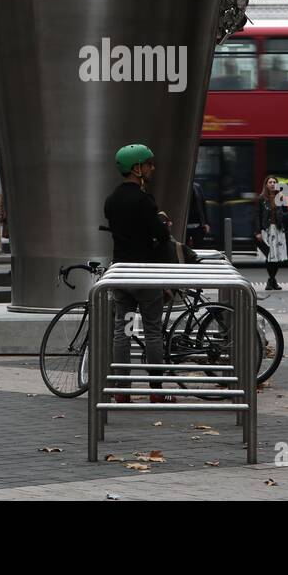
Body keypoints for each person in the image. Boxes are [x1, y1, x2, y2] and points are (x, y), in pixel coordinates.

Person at [104, 143, 173, 403]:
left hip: (121, 273)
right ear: (137, 168)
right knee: (153, 331)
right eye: (148, 164)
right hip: (145, 274)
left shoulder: (112, 199)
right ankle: (156, 390)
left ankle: (123, 390)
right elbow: (161, 234)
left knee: (124, 330)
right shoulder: (144, 200)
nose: (152, 168)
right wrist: (162, 224)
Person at [254, 176, 288, 291]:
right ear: (266, 184)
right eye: (270, 182)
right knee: (269, 257)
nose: (272, 184)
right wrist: (258, 232)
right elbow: (257, 215)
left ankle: (271, 280)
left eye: (274, 182)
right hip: (267, 230)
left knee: (277, 257)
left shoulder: (281, 197)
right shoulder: (261, 198)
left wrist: (284, 202)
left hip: (278, 230)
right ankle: (272, 281)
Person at [185, 181, 210, 248]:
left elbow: (202, 206)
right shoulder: (181, 186)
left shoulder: (197, 187)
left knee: (198, 247)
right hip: (184, 224)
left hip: (197, 224)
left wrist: (206, 223)